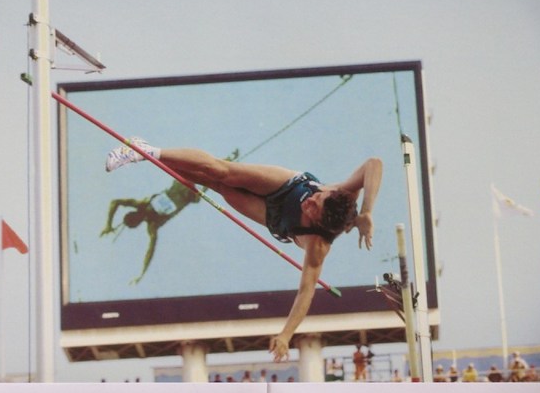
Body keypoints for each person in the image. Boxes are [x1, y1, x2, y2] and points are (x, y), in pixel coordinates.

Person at [105, 137, 383, 362]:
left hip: (274, 219)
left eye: (313, 209)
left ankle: (150, 158)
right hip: (287, 186)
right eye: (318, 196)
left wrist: (286, 335)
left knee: (214, 185)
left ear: (320, 224)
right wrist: (368, 211)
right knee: (221, 171)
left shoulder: (317, 246)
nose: (310, 201)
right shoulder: (341, 193)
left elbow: (305, 291)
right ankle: (145, 150)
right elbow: (374, 163)